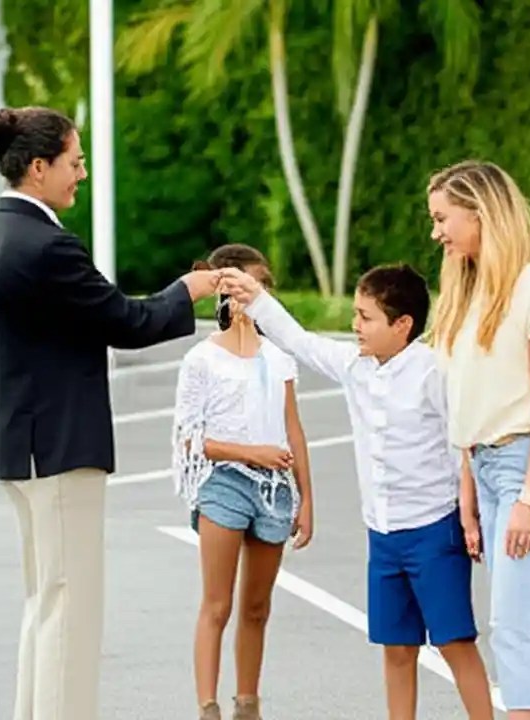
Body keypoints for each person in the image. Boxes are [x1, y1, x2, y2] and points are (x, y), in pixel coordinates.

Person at [0, 105, 240, 720]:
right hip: (59, 449)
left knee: (45, 602)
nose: (81, 173)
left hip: (17, 448)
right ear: (38, 168)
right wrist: (187, 292)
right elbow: (124, 321)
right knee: (71, 611)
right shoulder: (45, 244)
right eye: (74, 161)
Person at [231, 262, 495, 720]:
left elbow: (463, 445)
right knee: (396, 647)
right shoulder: (355, 366)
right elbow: (300, 341)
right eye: (355, 314)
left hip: (434, 530)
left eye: (366, 317)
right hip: (383, 534)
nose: (355, 326)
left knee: (454, 642)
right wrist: (255, 297)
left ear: (403, 324)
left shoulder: (433, 370)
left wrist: (470, 516)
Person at [426, 160, 530, 720]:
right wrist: (467, 496)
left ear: (479, 212)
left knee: (509, 624)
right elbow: (467, 403)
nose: (436, 231)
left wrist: (528, 501)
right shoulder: (462, 294)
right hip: (483, 470)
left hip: (524, 468)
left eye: (443, 218)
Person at [171, 244, 314, 720]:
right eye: (246, 290)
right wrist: (250, 453)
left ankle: (247, 705)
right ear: (226, 296)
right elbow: (190, 441)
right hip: (224, 485)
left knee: (257, 607)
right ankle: (207, 706)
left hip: (274, 490)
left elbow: (294, 428)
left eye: (262, 290)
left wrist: (306, 499)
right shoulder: (202, 360)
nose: (255, 299)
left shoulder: (279, 359)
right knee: (218, 603)